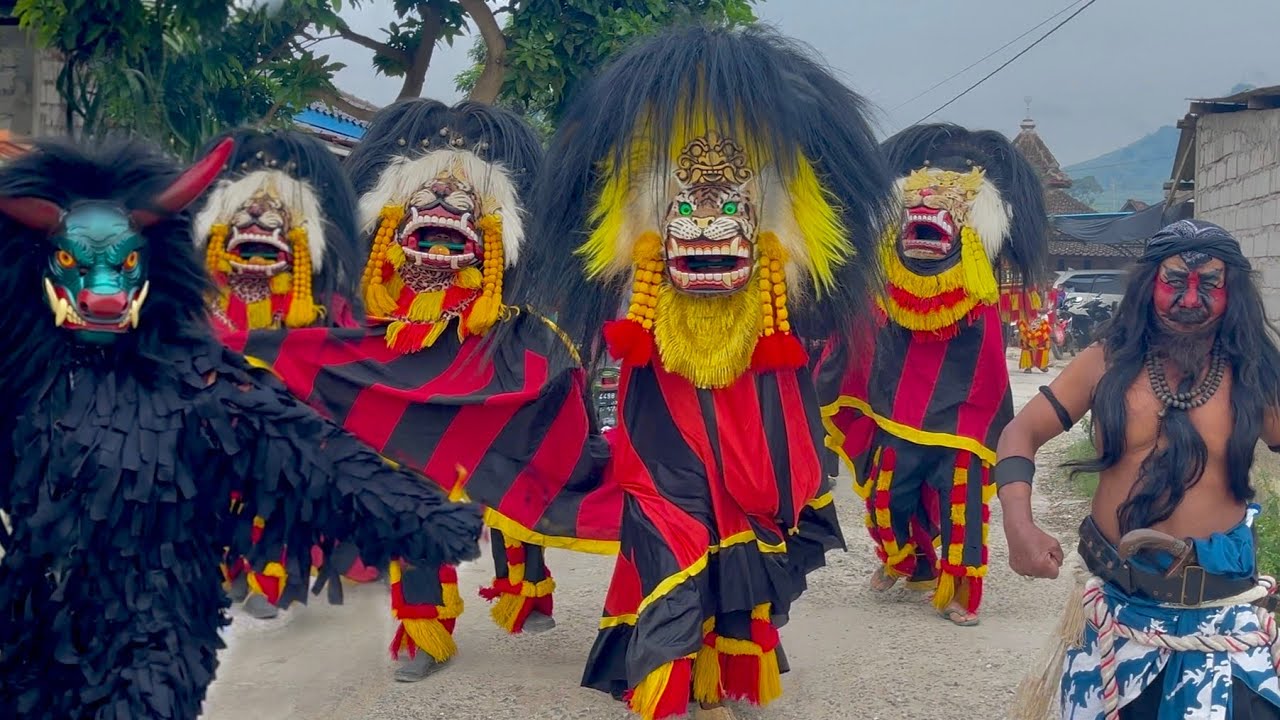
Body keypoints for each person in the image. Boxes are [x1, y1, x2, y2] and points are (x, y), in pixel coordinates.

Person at [0, 138, 482, 718]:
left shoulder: (199, 380)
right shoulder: (20, 382)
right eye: (80, 266)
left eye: (124, 265)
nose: (104, 293)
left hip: (160, 622)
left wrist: (416, 514)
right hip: (32, 610)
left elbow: (304, 451)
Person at [511, 24, 894, 720]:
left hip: (758, 401)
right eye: (685, 209)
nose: (708, 224)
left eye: (730, 212)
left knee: (743, 532)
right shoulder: (636, 262)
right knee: (671, 530)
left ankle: (731, 666)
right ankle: (665, 687)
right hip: (661, 404)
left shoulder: (791, 285)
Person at [225, 98, 618, 684]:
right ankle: (422, 628)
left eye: (462, 196)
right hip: (400, 365)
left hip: (489, 359)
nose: (440, 200)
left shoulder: (514, 288)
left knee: (520, 471)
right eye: (423, 195)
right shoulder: (368, 291)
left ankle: (526, 583)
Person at [999, 219, 1280, 719]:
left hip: (1221, 619)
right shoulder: (1104, 363)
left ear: (1231, 291)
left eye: (1208, 285)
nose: (1189, 299)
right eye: (1174, 282)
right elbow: (1021, 432)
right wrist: (1018, 524)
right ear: (1149, 283)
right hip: (1118, 613)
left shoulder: (1255, 373)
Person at [821, 123, 1047, 626]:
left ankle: (961, 590)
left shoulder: (981, 268)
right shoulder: (885, 276)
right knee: (886, 496)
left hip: (964, 410)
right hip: (900, 409)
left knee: (962, 500)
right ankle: (905, 559)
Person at [192, 127, 376, 619]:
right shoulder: (192, 301)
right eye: (247, 209)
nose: (258, 216)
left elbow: (342, 363)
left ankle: (271, 579)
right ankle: (227, 573)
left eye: (276, 212)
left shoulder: (322, 305)